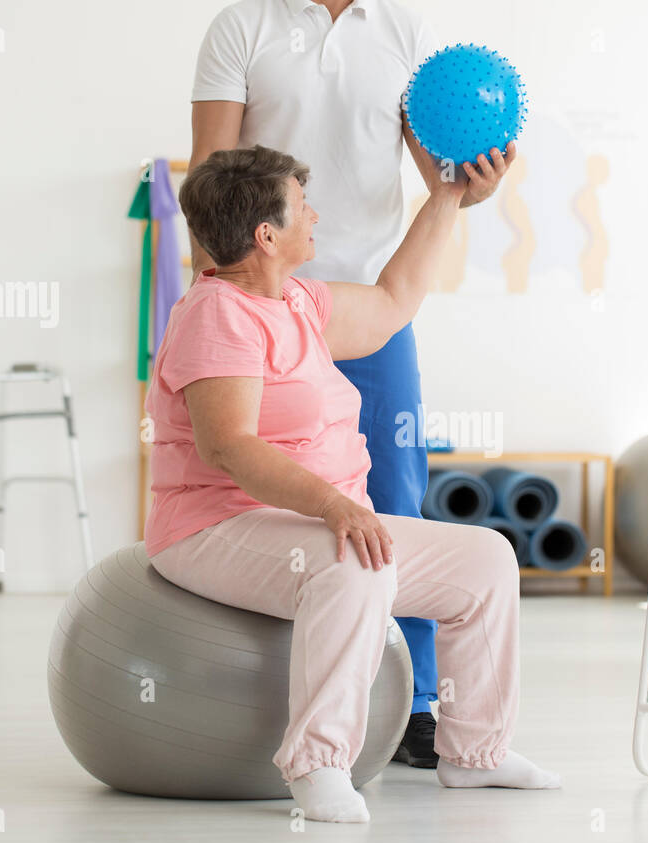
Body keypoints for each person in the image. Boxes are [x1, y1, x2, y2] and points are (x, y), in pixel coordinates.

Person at [144, 146, 558, 824]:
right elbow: (228, 447)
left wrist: (447, 197)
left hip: (313, 520)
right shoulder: (217, 314)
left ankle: (474, 754)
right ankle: (318, 763)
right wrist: (335, 506)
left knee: (487, 560)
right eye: (301, 205)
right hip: (215, 527)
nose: (315, 215)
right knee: (354, 562)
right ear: (266, 234)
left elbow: (394, 300)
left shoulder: (297, 301)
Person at [187, 0, 516, 769]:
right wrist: (230, 298)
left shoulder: (405, 31)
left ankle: (417, 703)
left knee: (395, 500)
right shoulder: (243, 26)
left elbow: (442, 173)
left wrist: (472, 184)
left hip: (365, 301)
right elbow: (208, 171)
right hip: (265, 296)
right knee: (260, 495)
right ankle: (296, 698)